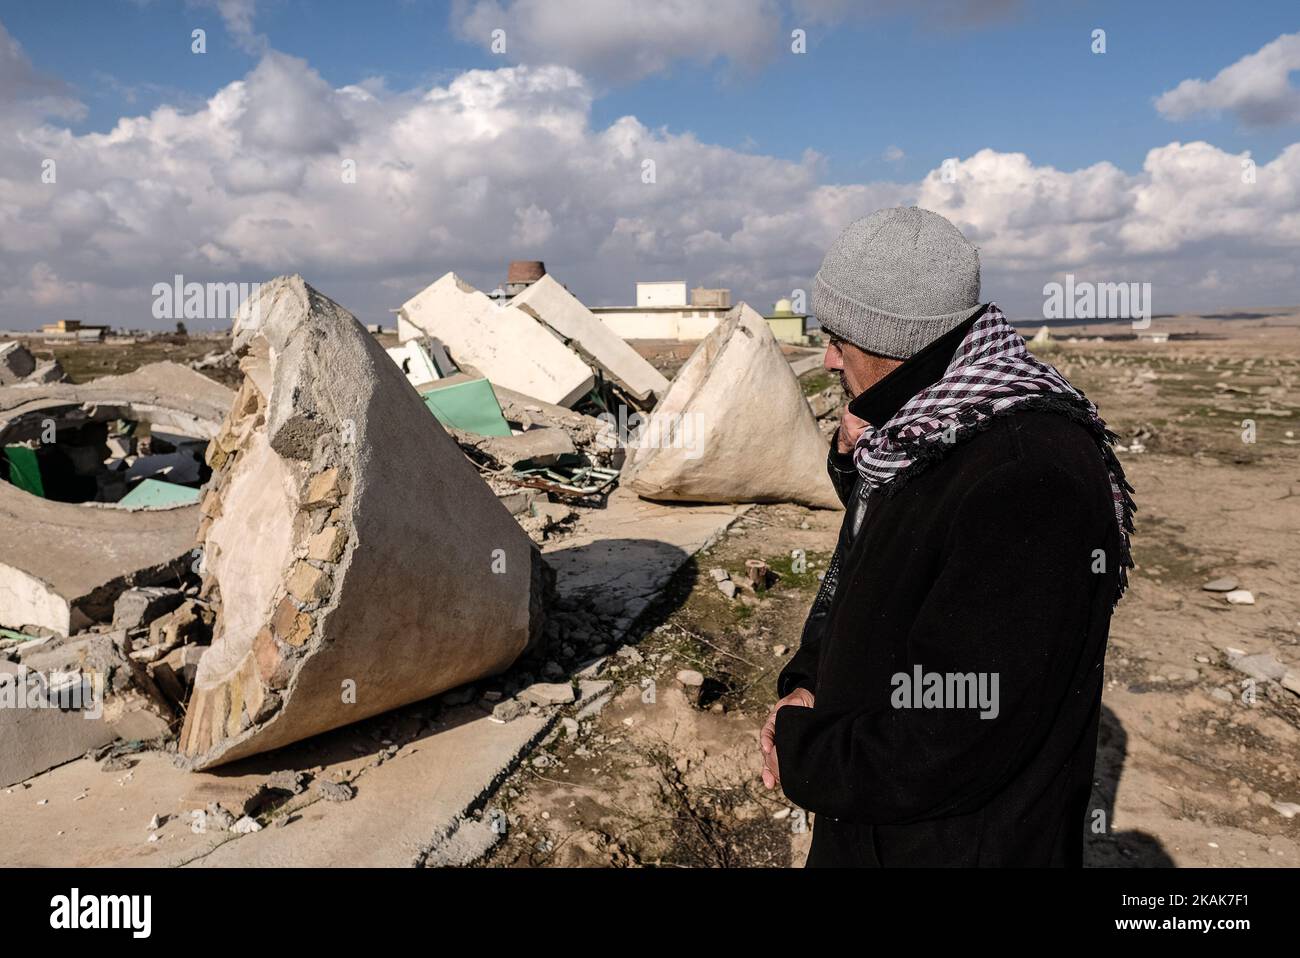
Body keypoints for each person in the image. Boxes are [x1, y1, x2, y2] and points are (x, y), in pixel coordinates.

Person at [759, 207, 1135, 867]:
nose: (826, 358)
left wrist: (804, 749)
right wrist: (810, 682)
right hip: (879, 824)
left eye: (838, 338)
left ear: (890, 342)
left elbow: (951, 738)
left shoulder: (1023, 477)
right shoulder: (926, 429)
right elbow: (872, 571)